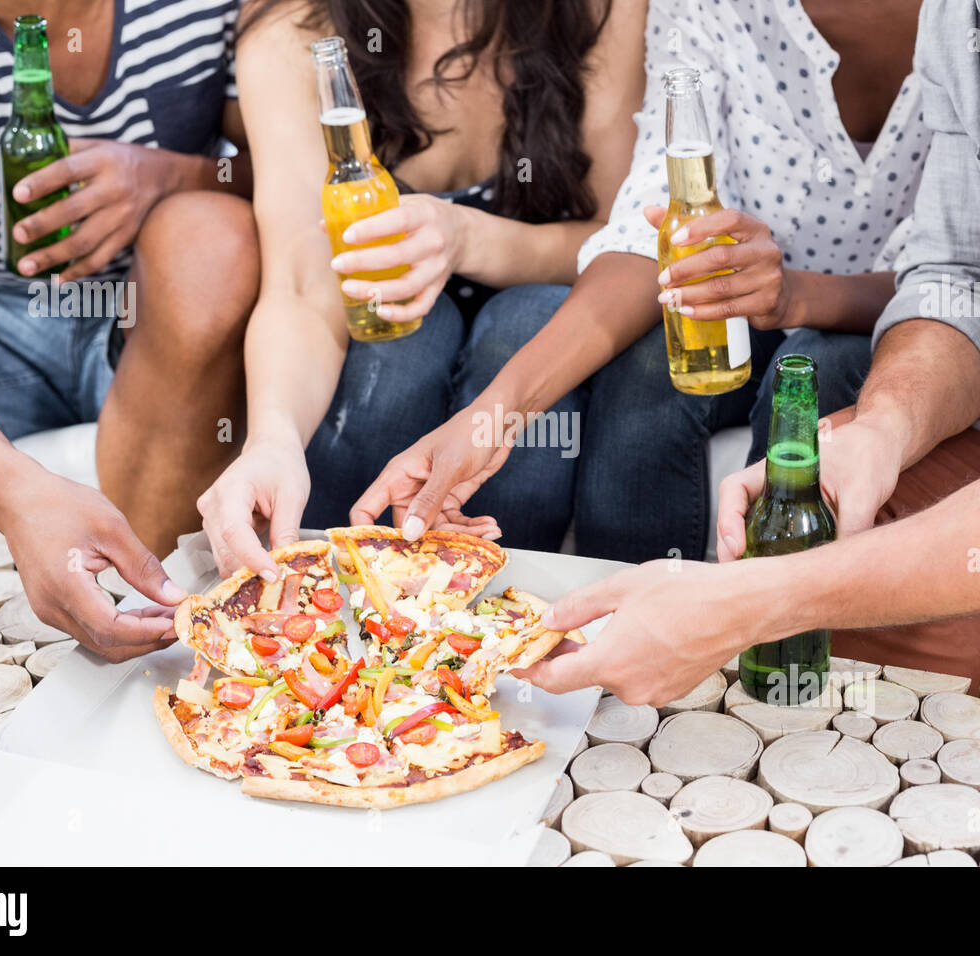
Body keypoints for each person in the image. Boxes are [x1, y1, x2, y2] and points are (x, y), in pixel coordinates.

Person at [518, 0, 980, 866]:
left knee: (817, 580)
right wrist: (884, 427)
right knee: (826, 518)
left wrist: (750, 604)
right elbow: (964, 278)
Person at [354, 0, 935, 564]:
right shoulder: (704, 9)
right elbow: (643, 236)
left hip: (904, 325)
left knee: (818, 367)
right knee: (648, 375)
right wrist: (491, 417)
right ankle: (610, 631)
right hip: (741, 315)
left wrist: (793, 295)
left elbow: (968, 280)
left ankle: (779, 643)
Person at [197, 0, 647, 578]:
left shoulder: (599, 12)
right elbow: (302, 284)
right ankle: (337, 604)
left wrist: (465, 239)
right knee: (401, 339)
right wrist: (271, 438)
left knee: (523, 320)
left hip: (552, 319)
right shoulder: (295, 31)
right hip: (380, 334)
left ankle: (513, 612)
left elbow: (625, 239)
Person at [0, 0, 258, 659]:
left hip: (151, 303)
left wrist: (167, 175)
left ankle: (147, 605)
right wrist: (17, 495)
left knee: (214, 241)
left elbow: (300, 174)